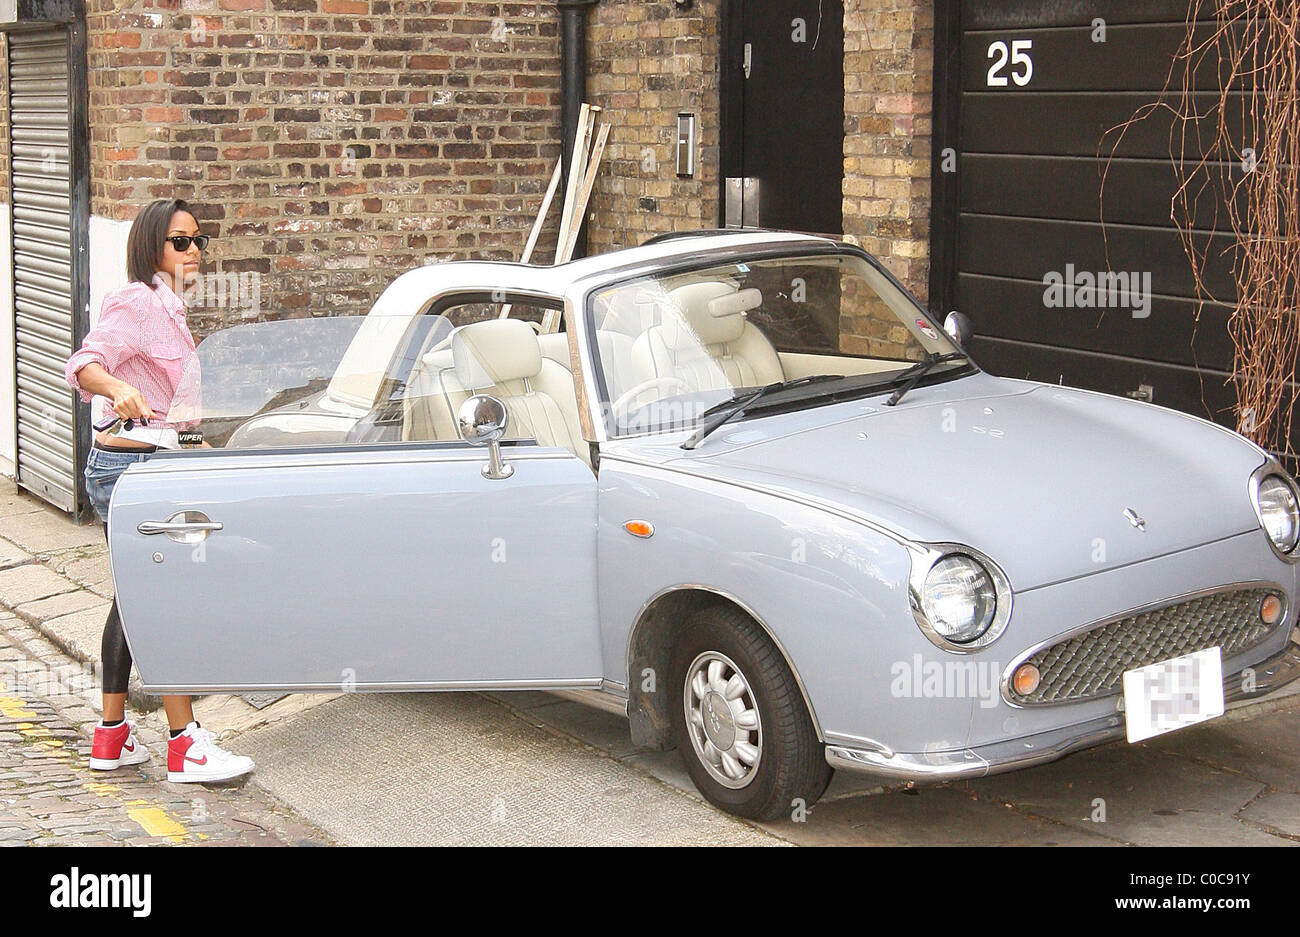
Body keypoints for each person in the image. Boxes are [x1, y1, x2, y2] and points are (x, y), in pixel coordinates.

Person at [64, 198, 255, 783]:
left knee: (135, 596)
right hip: (132, 469)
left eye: (199, 240)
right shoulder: (136, 301)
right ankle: (184, 745)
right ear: (152, 247)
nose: (194, 251)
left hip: (155, 462)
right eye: (180, 241)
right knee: (169, 597)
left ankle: (112, 736)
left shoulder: (168, 310)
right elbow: (84, 365)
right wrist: (117, 388)